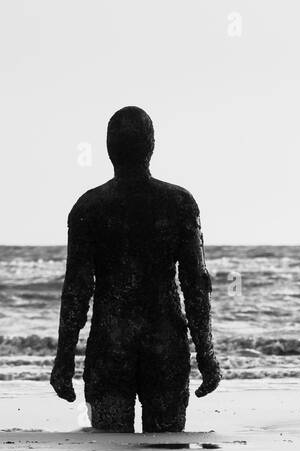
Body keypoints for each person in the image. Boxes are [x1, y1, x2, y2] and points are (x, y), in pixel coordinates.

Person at [50, 106, 221, 431]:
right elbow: (196, 284)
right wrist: (206, 354)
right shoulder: (179, 203)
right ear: (151, 146)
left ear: (108, 149)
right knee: (166, 449)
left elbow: (76, 291)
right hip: (165, 347)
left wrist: (64, 361)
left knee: (111, 450)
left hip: (110, 348)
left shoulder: (89, 207)